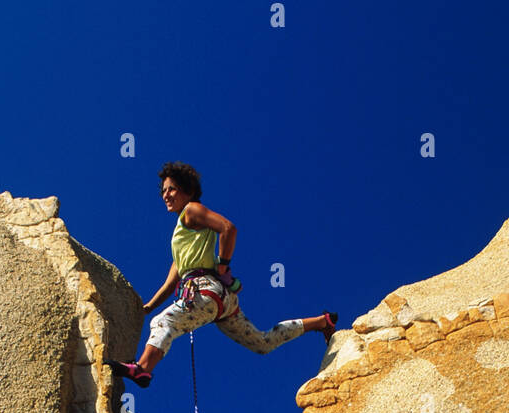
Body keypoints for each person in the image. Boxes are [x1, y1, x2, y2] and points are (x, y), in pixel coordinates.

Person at [104, 162, 338, 388]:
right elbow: (172, 281)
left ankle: (143, 367)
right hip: (221, 301)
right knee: (263, 342)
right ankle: (321, 322)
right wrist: (147, 307)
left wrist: (223, 266)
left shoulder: (191, 210)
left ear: (189, 191)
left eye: (172, 189)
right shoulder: (183, 241)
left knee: (164, 322)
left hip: (205, 290)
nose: (166, 195)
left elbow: (228, 228)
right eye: (164, 191)